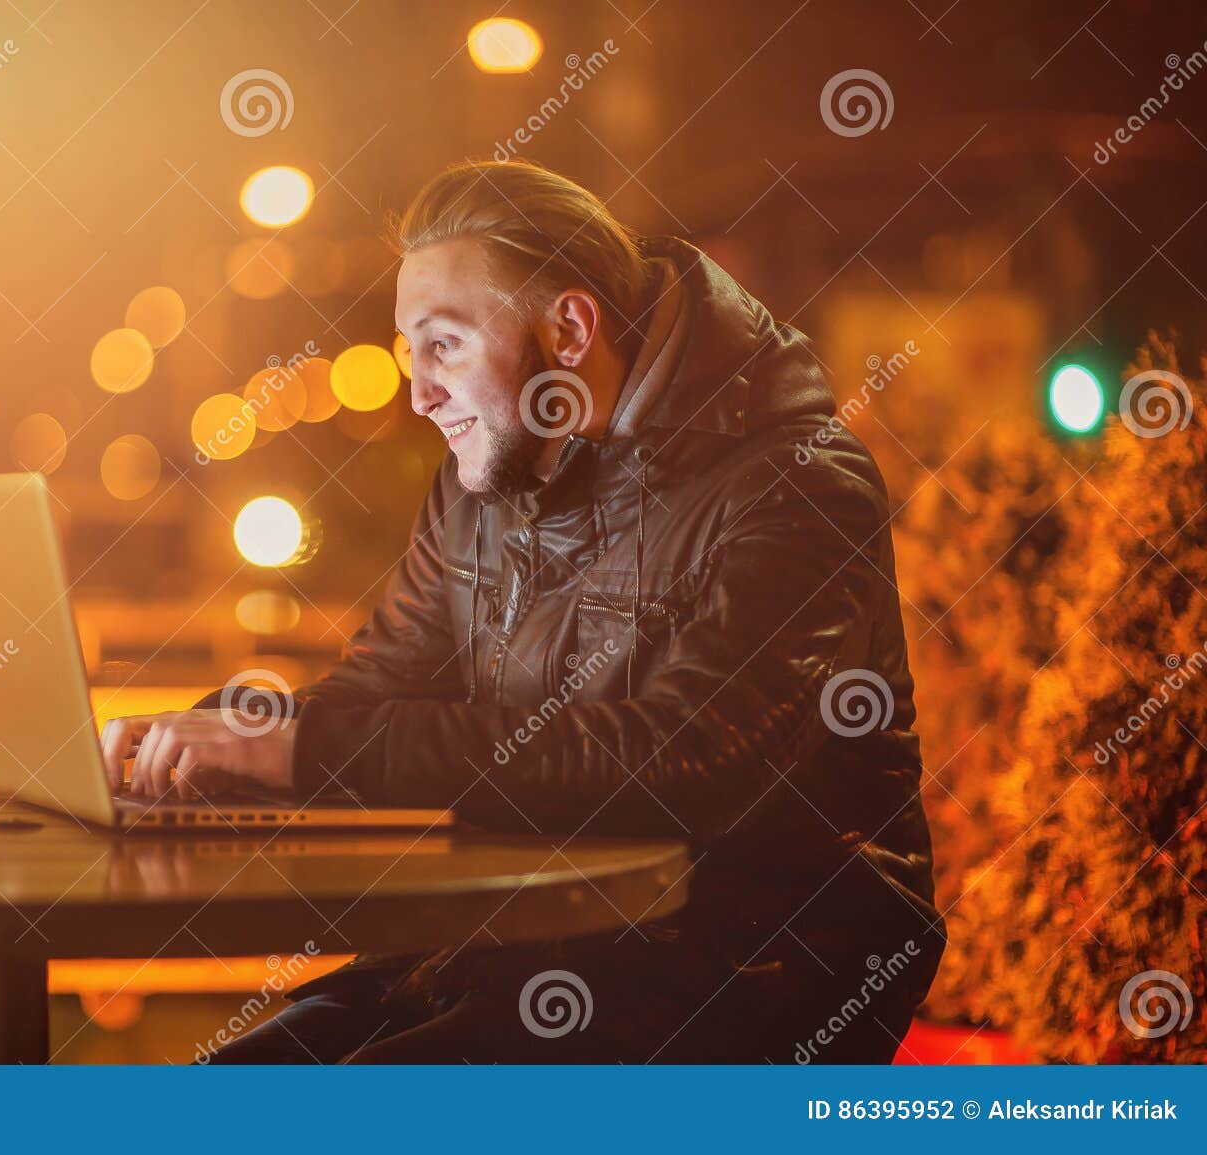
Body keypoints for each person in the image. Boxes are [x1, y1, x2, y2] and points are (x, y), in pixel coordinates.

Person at [100, 159, 944, 1063]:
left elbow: (694, 759)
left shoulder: (797, 484)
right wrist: (218, 735)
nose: (417, 392)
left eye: (445, 345)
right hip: (513, 941)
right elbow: (380, 688)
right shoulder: (487, 482)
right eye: (407, 352)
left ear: (570, 327)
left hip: (748, 967)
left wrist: (305, 749)